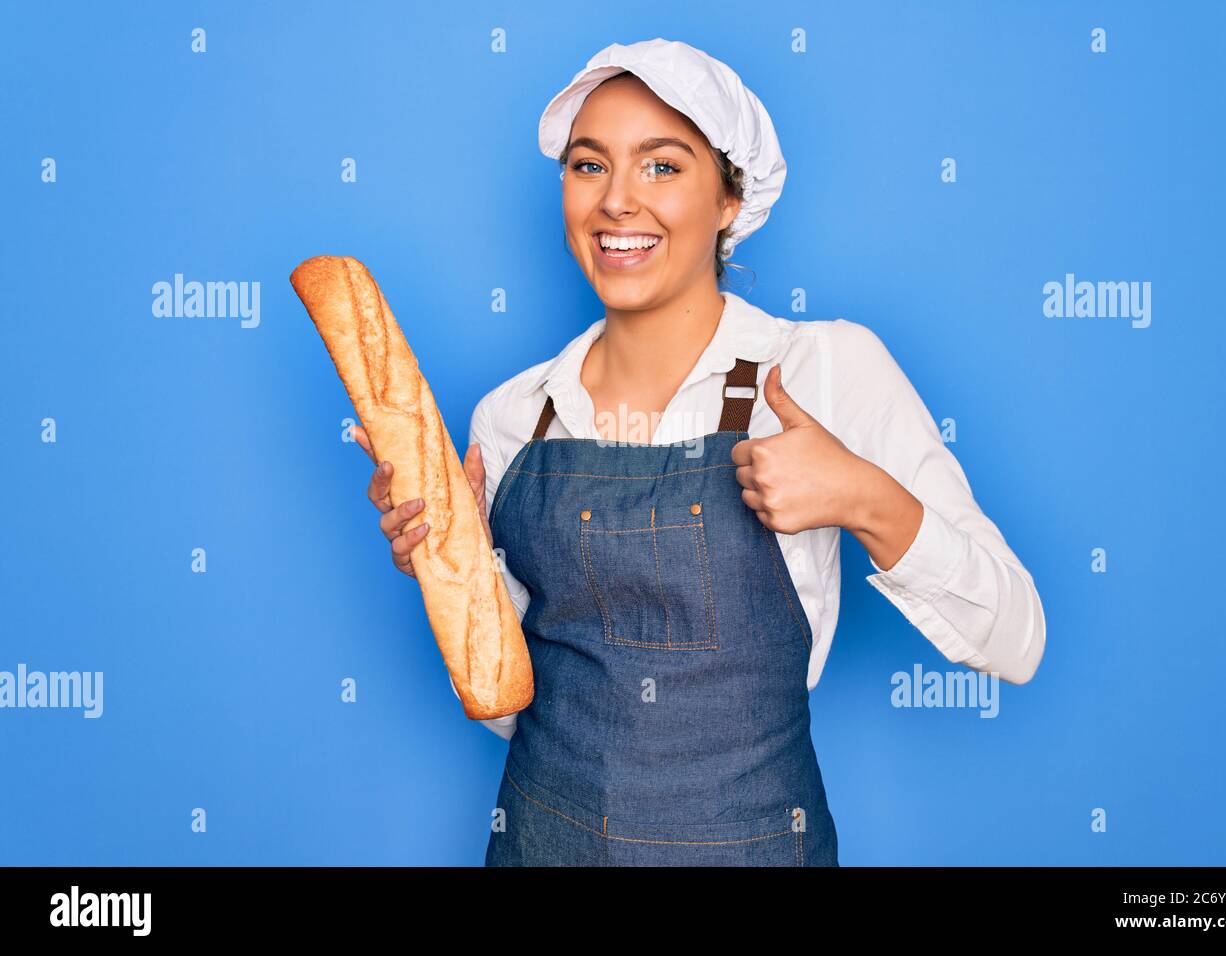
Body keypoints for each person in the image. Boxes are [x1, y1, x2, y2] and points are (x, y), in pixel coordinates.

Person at [351, 38, 1046, 866]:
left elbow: (1018, 638)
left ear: (729, 199)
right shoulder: (514, 416)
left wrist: (863, 496)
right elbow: (518, 711)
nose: (616, 202)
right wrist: (449, 568)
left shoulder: (822, 370)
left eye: (663, 167)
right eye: (588, 166)